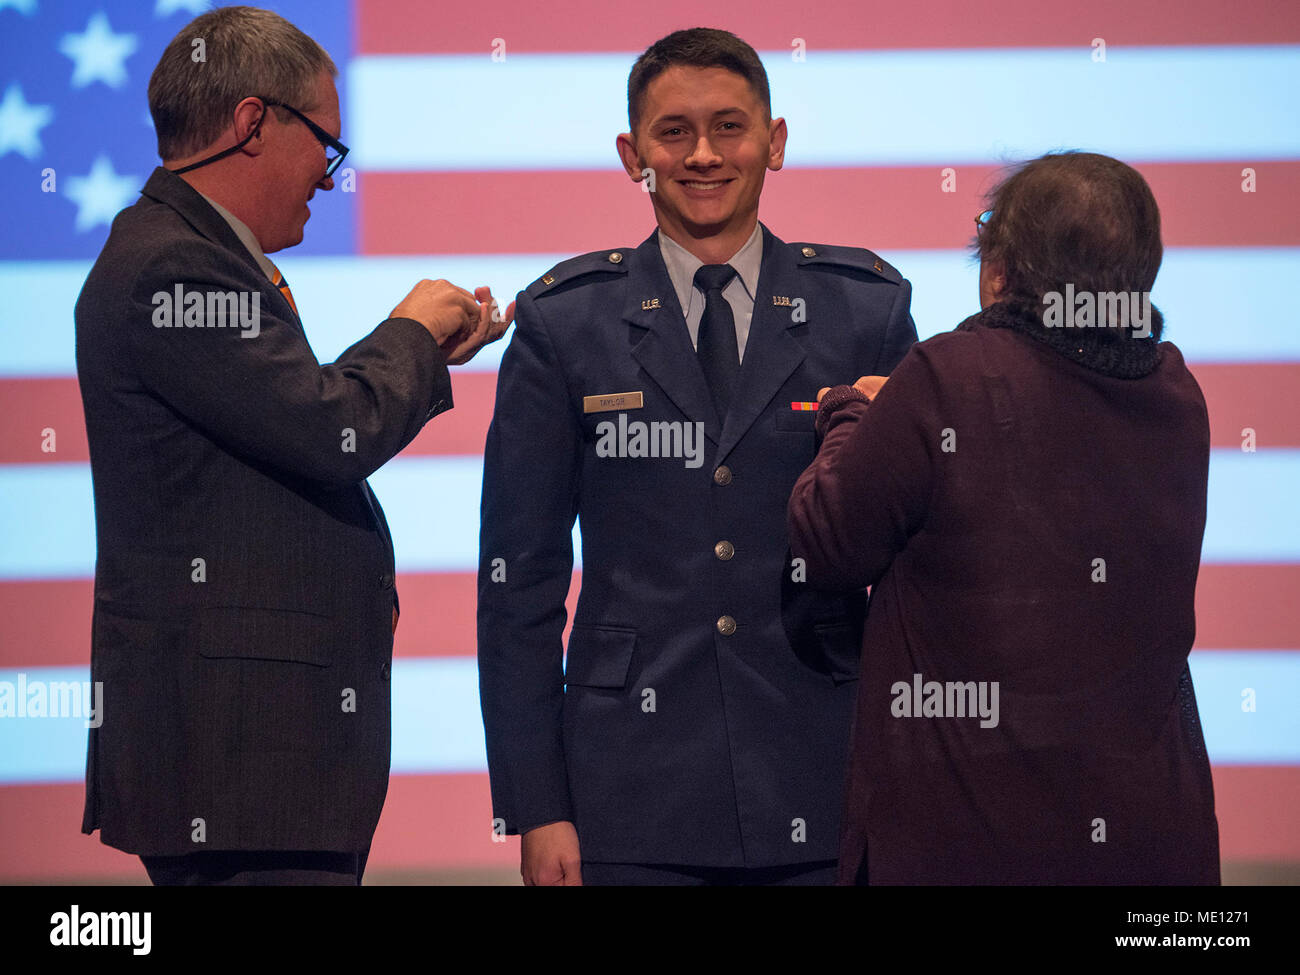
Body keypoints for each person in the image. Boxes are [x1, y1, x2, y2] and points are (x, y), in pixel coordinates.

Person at [75, 6, 508, 885]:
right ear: (252, 122)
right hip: (238, 769)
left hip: (251, 770)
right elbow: (326, 429)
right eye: (326, 144)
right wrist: (410, 331)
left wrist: (419, 349)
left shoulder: (185, 254)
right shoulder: (172, 266)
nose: (328, 174)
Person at [478, 27, 916, 885]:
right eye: (673, 132)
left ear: (775, 142)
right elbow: (518, 582)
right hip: (628, 797)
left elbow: (918, 559)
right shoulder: (563, 322)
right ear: (631, 153)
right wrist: (536, 805)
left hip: (827, 773)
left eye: (730, 127)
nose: (703, 154)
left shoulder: (865, 311)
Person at [788, 151, 1220, 885]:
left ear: (1001, 267)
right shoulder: (1178, 392)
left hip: (971, 832)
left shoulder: (946, 376)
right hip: (1151, 839)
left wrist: (852, 413)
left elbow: (827, 540)